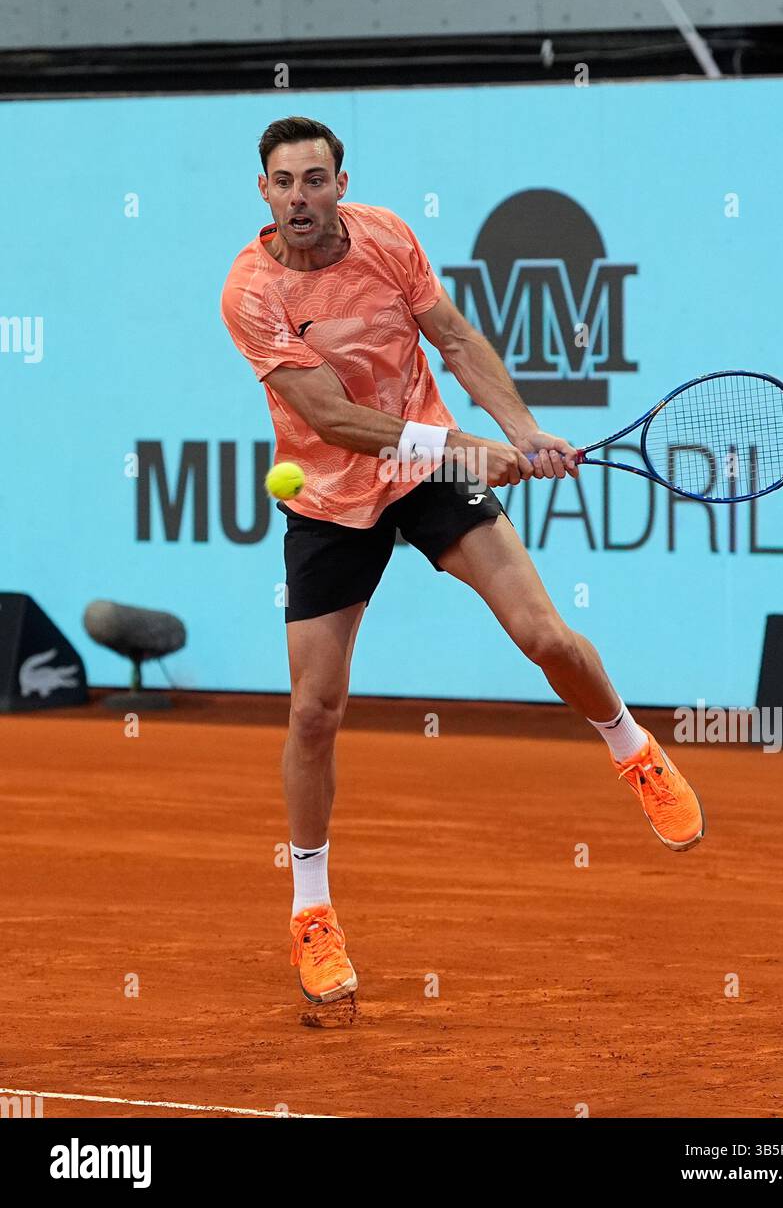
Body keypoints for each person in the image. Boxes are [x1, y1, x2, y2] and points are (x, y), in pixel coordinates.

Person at [221, 116, 705, 1012]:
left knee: (543, 634)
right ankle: (312, 911)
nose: (301, 197)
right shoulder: (250, 294)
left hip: (428, 470)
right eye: (284, 182)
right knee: (314, 710)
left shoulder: (390, 236)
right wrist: (461, 448)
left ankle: (633, 750)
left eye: (316, 179)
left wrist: (520, 430)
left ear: (340, 182)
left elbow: (454, 339)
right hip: (329, 499)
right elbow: (330, 419)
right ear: (263, 192)